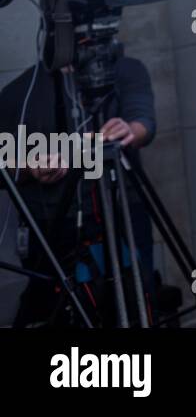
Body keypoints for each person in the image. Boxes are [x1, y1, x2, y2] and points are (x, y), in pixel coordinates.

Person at [0, 54, 157, 326]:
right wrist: (29, 167)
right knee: (60, 312)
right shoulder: (19, 92)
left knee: (132, 303)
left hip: (123, 214)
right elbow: (3, 163)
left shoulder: (126, 69)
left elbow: (144, 123)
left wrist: (126, 130)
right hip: (52, 228)